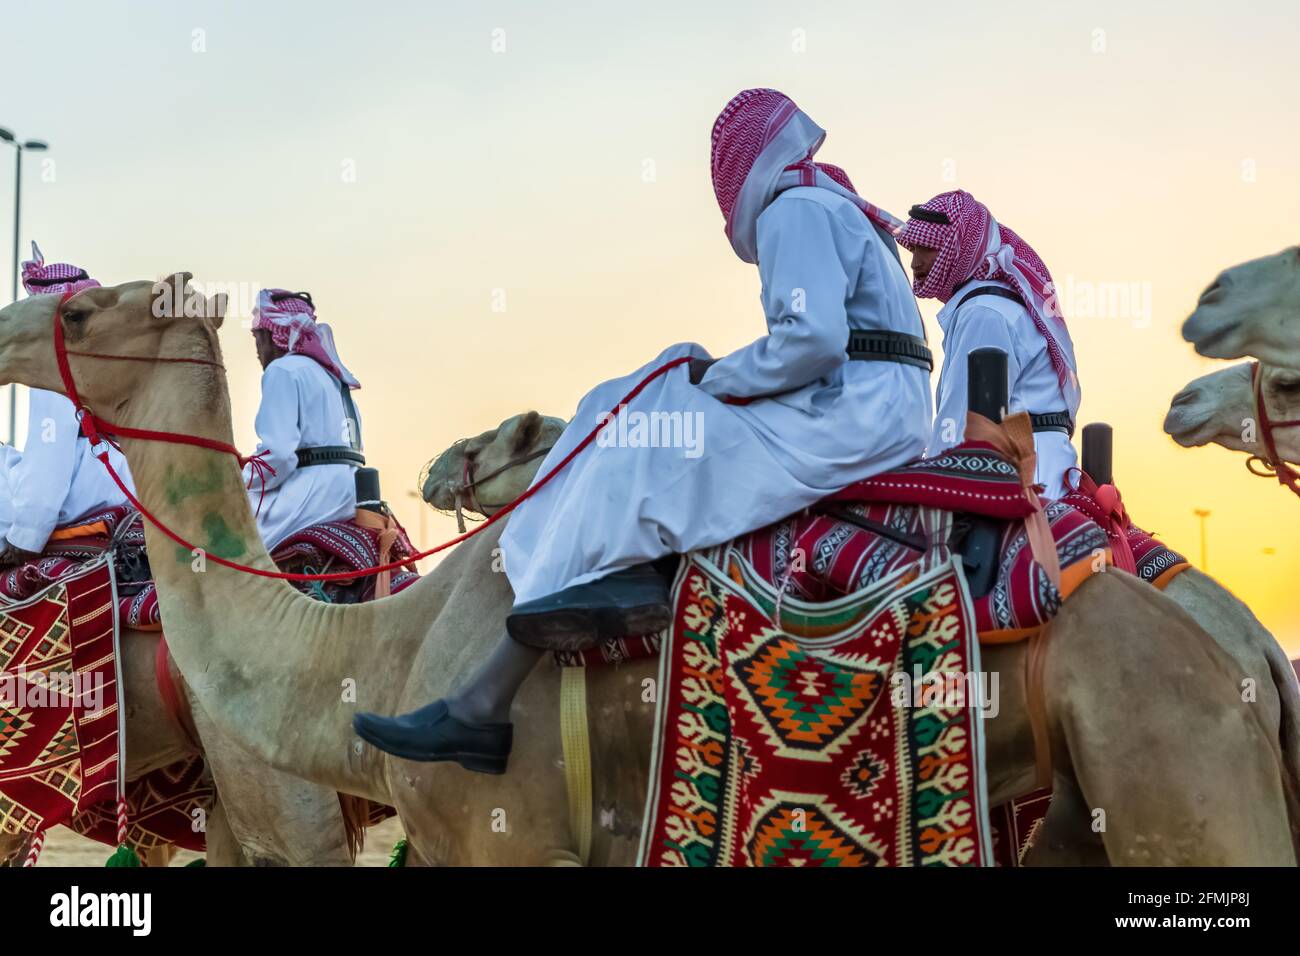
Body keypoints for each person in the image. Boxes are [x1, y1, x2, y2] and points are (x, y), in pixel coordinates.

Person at [353, 88, 934, 773]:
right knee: (642, 402)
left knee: (646, 433)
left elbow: (810, 341)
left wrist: (714, 379)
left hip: (850, 417)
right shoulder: (829, 203)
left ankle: (542, 641)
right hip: (870, 407)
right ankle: (506, 676)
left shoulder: (795, 208)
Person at [898, 191, 1081, 497]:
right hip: (1042, 467)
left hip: (1023, 478)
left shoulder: (982, 312)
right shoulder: (991, 304)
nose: (915, 263)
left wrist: (930, 489)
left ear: (959, 248)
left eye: (927, 249)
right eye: (912, 249)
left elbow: (961, 428)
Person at [0, 244, 135, 566]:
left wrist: (25, 541)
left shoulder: (56, 369)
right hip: (123, 481)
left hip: (84, 492)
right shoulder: (109, 358)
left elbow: (49, 465)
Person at [245, 289, 365, 549]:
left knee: (225, 544)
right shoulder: (335, 378)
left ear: (272, 336)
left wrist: (237, 479)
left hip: (311, 494)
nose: (256, 347)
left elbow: (279, 456)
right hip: (349, 490)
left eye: (257, 336)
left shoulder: (282, 371)